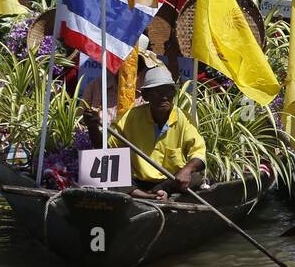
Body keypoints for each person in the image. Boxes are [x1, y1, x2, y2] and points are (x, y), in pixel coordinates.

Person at [82, 66, 206, 201]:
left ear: (174, 93)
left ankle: (156, 194)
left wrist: (187, 170)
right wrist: (93, 127)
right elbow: (105, 150)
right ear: (145, 95)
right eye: (157, 92)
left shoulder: (183, 119)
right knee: (106, 171)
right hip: (137, 181)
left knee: (195, 177)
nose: (164, 97)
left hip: (168, 181)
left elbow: (198, 152)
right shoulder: (132, 117)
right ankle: (152, 197)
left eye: (168, 91)